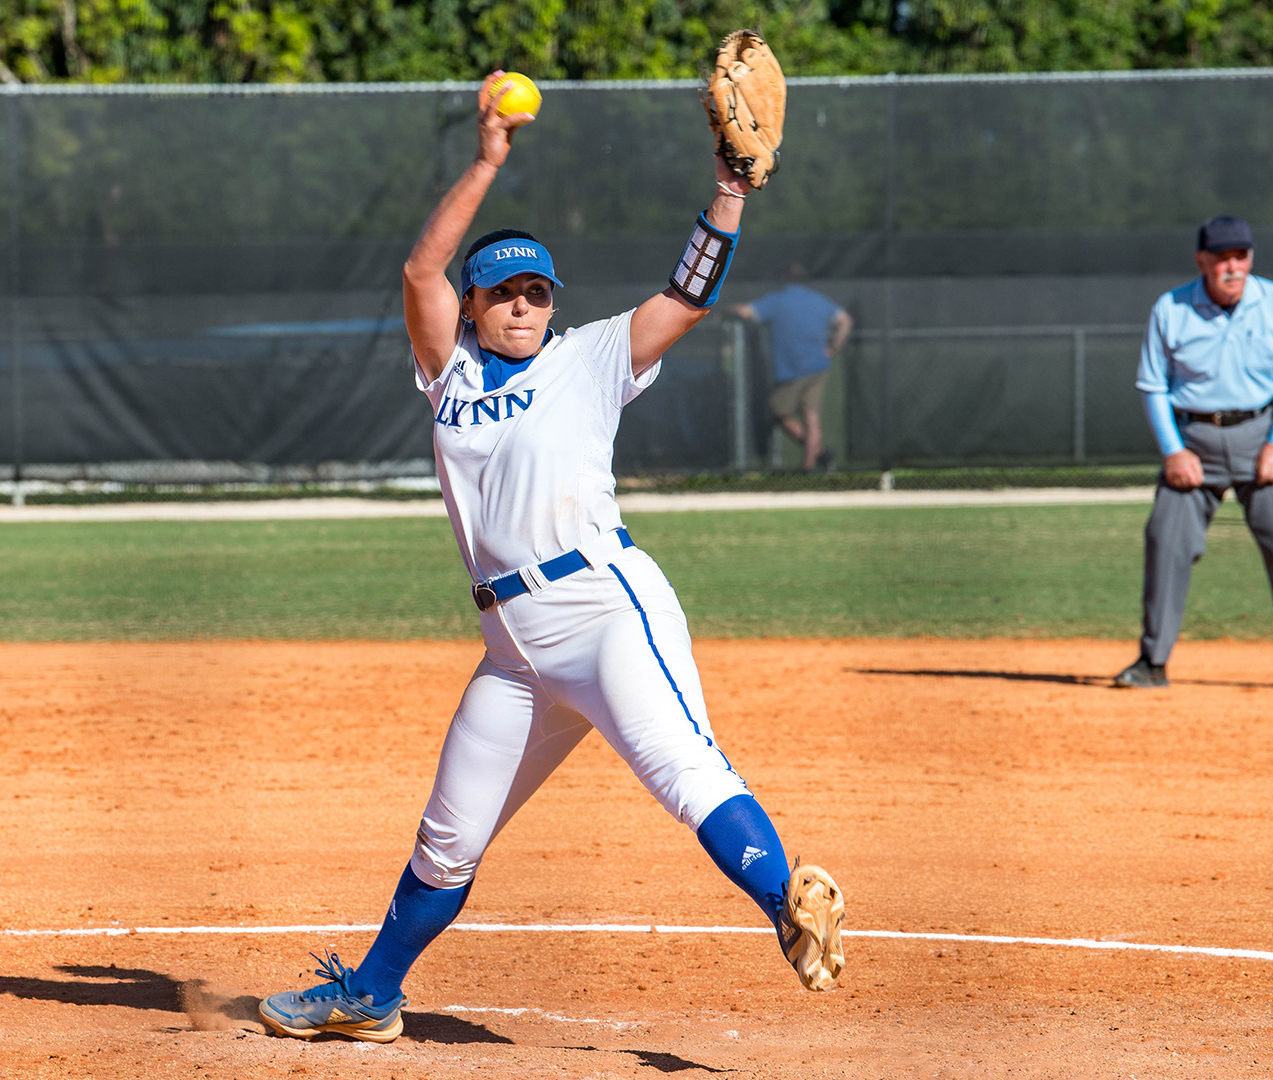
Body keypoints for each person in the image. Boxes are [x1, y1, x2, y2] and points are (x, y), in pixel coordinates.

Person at [256, 72, 847, 1044]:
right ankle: (369, 993)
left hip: (601, 608)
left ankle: (792, 901)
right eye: (507, 291)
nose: (526, 305)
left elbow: (687, 295)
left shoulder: (591, 356)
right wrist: (488, 159)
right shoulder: (446, 372)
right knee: (449, 835)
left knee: (680, 770)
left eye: (540, 291)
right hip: (511, 652)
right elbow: (418, 274)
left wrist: (729, 194)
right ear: (477, 303)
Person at [1113, 216, 1273, 691]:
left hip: (1260, 435)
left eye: (1241, 256)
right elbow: (1153, 387)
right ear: (1202, 261)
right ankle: (1152, 662)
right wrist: (1173, 452)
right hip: (1194, 441)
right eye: (1222, 259)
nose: (1233, 267)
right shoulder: (1170, 309)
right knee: (1165, 540)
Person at [733, 265, 851, 471]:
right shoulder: (817, 299)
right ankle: (815, 459)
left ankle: (810, 462)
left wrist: (726, 309)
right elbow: (846, 320)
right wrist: (834, 348)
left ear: (783, 278)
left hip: (795, 369)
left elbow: (746, 312)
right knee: (811, 415)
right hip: (817, 366)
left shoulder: (779, 299)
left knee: (778, 411)